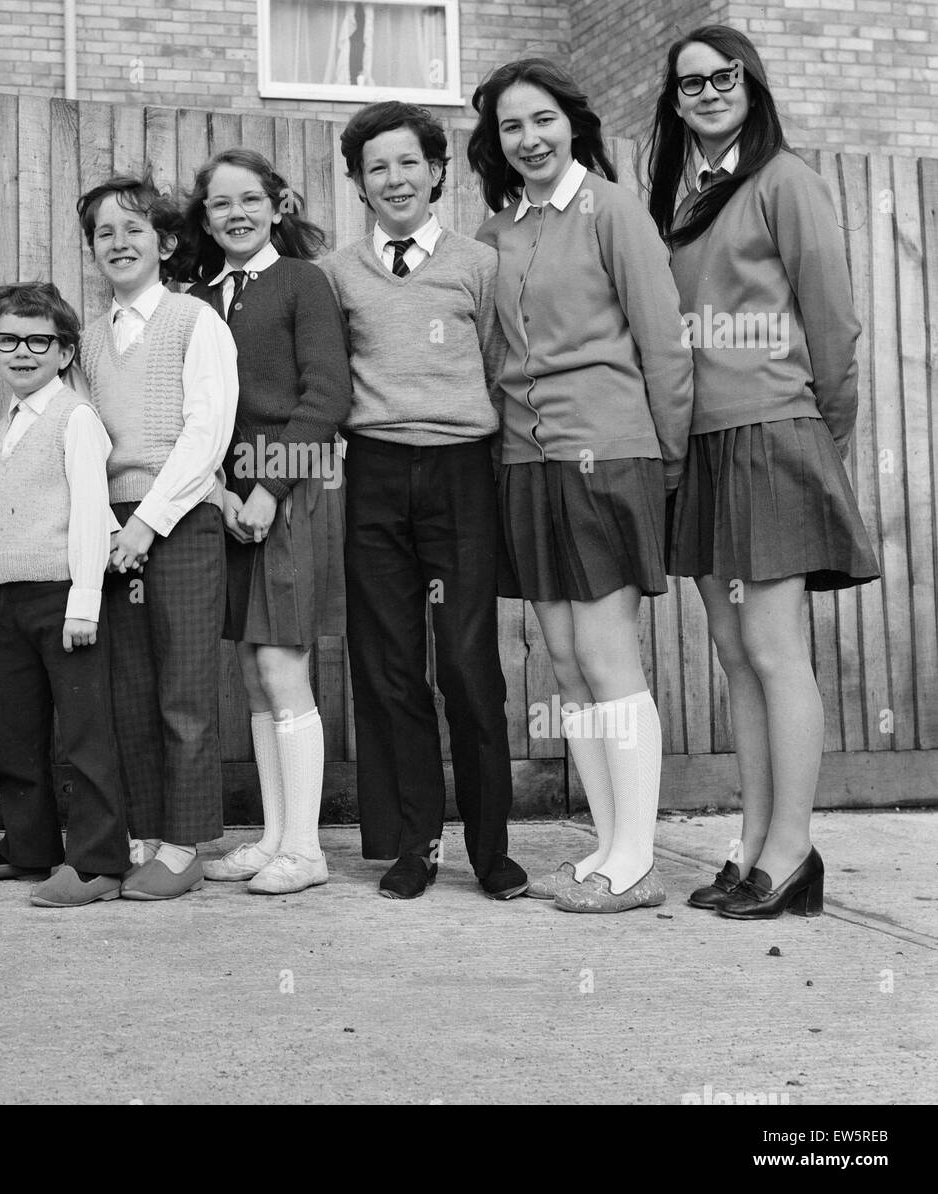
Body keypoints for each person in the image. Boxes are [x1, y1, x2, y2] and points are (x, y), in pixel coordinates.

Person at [646, 25, 879, 920]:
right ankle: (750, 846)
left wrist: (822, 445)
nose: (707, 91)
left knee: (777, 653)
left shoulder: (787, 182)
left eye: (723, 76)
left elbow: (836, 329)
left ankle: (792, 853)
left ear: (753, 83)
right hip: (704, 446)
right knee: (736, 657)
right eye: (689, 83)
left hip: (774, 436)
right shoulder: (684, 198)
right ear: (673, 103)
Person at [469, 58, 694, 913]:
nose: (529, 139)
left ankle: (637, 864)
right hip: (526, 465)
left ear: (574, 123)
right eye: (510, 127)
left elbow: (665, 345)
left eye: (542, 120)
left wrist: (664, 463)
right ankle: (607, 847)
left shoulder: (613, 209)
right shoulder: (496, 234)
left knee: (606, 656)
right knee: (565, 662)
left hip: (611, 456)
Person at [317, 101, 525, 902]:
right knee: (387, 667)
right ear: (359, 184)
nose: (395, 179)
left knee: (471, 667)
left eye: (409, 163)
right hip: (373, 472)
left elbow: (506, 372)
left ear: (437, 171)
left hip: (461, 472)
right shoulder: (338, 274)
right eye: (377, 167)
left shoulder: (478, 264)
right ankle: (415, 843)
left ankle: (491, 849)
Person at [178, 148, 351, 895]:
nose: (237, 214)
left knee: (283, 664)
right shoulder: (196, 298)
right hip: (224, 498)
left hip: (293, 488)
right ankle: (275, 836)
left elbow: (326, 397)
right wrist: (219, 491)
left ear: (277, 205)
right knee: (250, 671)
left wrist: (270, 488)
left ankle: (307, 850)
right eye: (221, 204)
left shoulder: (301, 283)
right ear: (205, 218)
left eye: (251, 199)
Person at [78, 174, 239, 902]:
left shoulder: (194, 321)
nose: (119, 242)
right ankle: (144, 834)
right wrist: (108, 524)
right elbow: (80, 439)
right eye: (104, 233)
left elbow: (207, 432)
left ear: (166, 243)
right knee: (130, 691)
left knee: (184, 691)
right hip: (112, 531)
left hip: (178, 523)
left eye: (134, 229)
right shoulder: (86, 337)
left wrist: (148, 522)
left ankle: (185, 845)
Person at [0, 283, 133, 908]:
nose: (23, 352)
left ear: (65, 353)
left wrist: (86, 600)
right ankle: (30, 848)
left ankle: (97, 863)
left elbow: (92, 510)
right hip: (12, 602)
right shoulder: (2, 426)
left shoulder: (75, 419)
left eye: (40, 341)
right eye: (9, 340)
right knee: (14, 733)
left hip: (66, 597)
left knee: (84, 735)